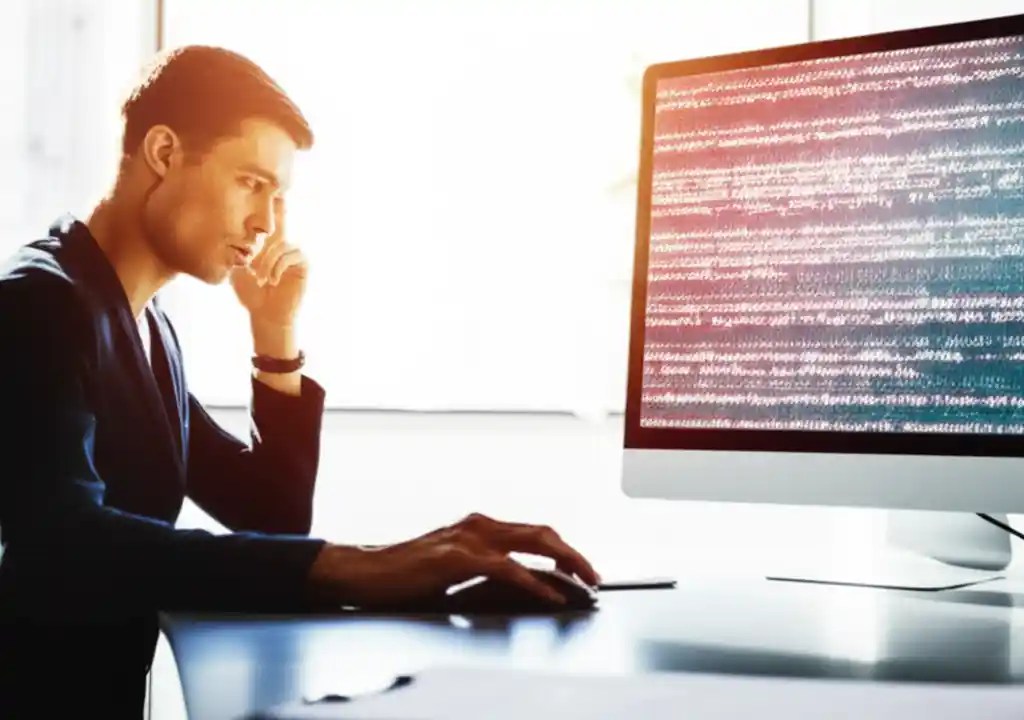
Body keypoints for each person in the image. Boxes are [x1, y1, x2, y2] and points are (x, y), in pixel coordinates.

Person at [0, 45, 600, 717]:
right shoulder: (39, 303)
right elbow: (60, 543)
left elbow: (270, 515)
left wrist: (274, 337)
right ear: (165, 153)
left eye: (276, 198)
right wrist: (364, 567)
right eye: (251, 184)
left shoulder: (145, 328)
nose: (264, 225)